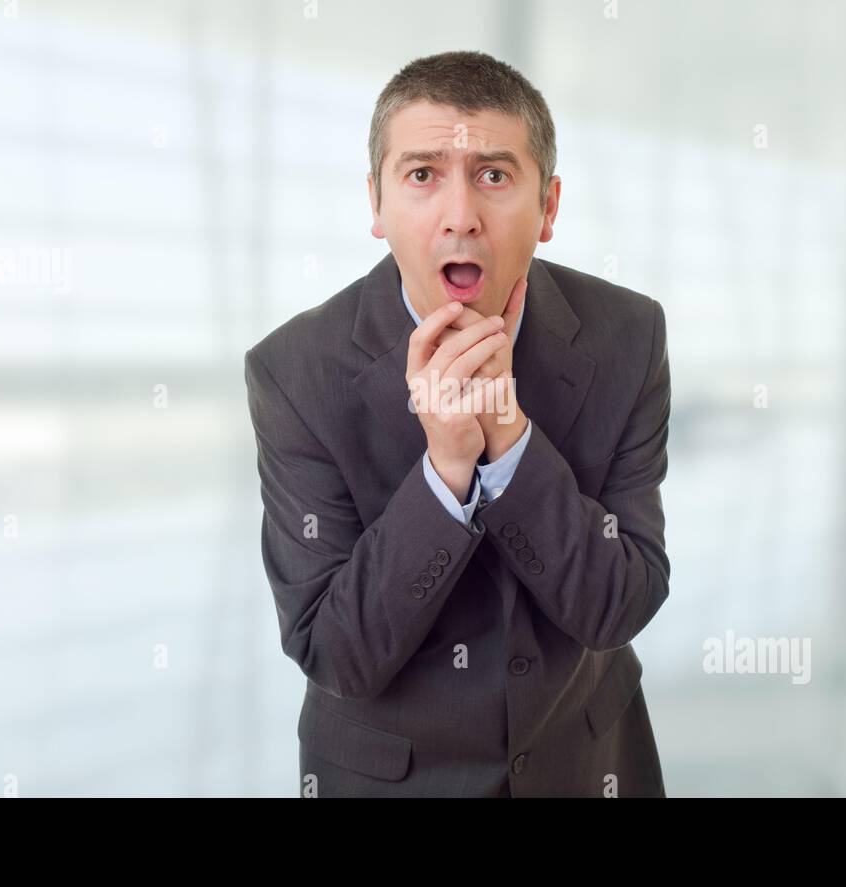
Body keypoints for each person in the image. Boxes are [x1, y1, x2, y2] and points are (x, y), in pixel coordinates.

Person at [245, 50, 670, 797]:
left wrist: (509, 441)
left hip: (589, 763)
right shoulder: (294, 371)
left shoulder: (627, 335)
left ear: (550, 207)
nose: (461, 216)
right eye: (421, 175)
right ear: (375, 204)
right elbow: (334, 649)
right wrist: (444, 471)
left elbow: (621, 602)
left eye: (495, 176)